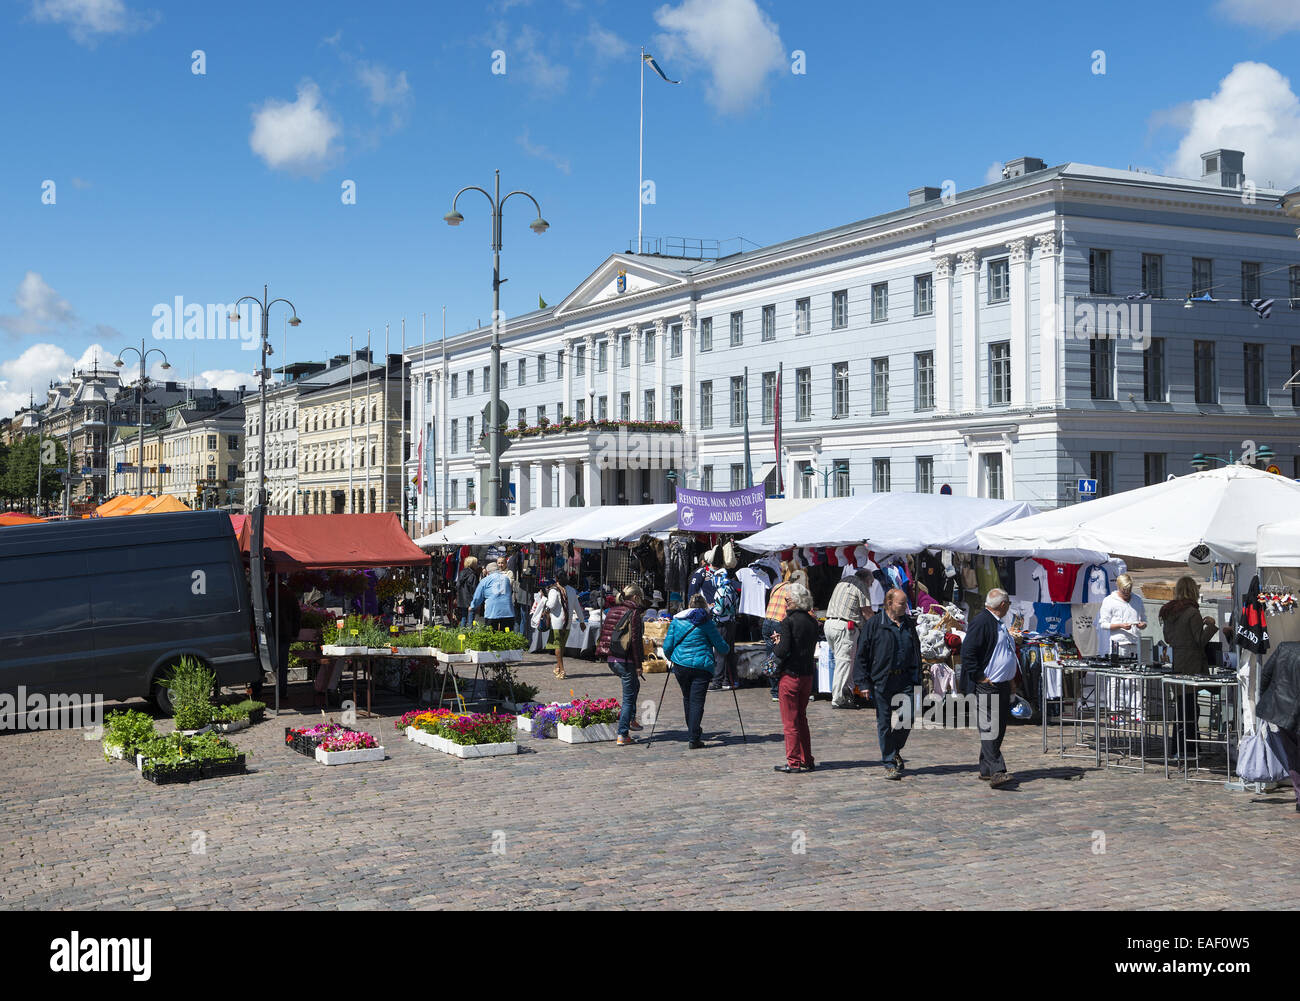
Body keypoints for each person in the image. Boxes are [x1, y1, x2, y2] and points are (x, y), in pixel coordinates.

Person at [855, 588, 920, 780]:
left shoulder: (908, 624)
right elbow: (862, 655)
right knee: (883, 722)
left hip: (905, 679)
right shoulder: (875, 624)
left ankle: (894, 748)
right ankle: (890, 762)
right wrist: (863, 683)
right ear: (889, 603)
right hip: (882, 679)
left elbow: (916, 650)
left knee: (908, 715)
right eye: (902, 603)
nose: (905, 606)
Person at [959, 587, 1017, 788]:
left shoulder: (997, 623)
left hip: (1001, 685)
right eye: (1008, 603)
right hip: (987, 686)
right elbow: (967, 652)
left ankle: (985, 769)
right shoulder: (982, 622)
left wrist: (1010, 680)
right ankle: (997, 771)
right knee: (989, 729)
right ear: (1003, 604)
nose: (1009, 606)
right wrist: (980, 677)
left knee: (998, 728)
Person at [1159, 575, 1219, 758]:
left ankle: (1179, 748)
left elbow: (1168, 638)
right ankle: (1189, 749)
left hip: (1177, 660)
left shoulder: (1170, 612)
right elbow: (1199, 640)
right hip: (1192, 663)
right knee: (1190, 708)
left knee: (1182, 708)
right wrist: (1211, 625)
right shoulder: (1192, 612)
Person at [663, 593, 730, 749]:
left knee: (687, 698)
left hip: (681, 665)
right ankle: (694, 736)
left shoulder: (677, 621)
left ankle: (692, 731)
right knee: (697, 701)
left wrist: (672, 657)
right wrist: (727, 650)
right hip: (702, 666)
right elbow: (720, 646)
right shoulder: (707, 622)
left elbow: (667, 646)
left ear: (689, 606)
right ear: (704, 605)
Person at [771, 581, 819, 773]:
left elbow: (782, 652)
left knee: (790, 722)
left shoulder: (788, 622)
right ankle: (806, 758)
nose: (785, 603)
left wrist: (778, 642)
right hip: (807, 674)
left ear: (795, 601)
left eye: (787, 600)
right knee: (801, 718)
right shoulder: (812, 621)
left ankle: (793, 761)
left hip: (790, 675)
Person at [596, 584, 646, 745]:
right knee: (628, 698)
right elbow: (635, 641)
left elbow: (605, 633)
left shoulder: (613, 610)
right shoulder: (634, 613)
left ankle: (631, 719)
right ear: (636, 597)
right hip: (626, 660)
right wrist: (639, 665)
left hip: (612, 659)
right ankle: (623, 734)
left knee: (634, 686)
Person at [1256, 642, 1300, 812]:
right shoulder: (1285, 648)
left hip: (1283, 712)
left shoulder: (1284, 648)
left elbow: (1265, 676)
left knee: (1293, 757)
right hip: (1285, 712)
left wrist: (1266, 702)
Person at [825, 567, 874, 709]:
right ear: (867, 580)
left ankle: (847, 694)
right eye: (870, 584)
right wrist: (876, 628)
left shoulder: (843, 581)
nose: (870, 587)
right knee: (844, 663)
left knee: (842, 662)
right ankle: (838, 699)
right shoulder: (861, 585)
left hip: (829, 624)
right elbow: (867, 612)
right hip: (845, 626)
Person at [763, 561, 798, 703]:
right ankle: (780, 690)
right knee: (781, 655)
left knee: (772, 656)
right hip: (779, 623)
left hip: (767, 621)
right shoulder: (794, 589)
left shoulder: (777, 586)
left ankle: (774, 691)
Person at [1098, 573, 1147, 658]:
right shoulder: (1109, 600)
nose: (1127, 592)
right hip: (1119, 644)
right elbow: (1103, 624)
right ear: (1118, 586)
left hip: (1135, 643)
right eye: (1124, 590)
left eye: (1129, 589)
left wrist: (1143, 625)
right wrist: (1120, 625)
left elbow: (1144, 619)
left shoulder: (1137, 599)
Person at [471, 562, 515, 631]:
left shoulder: (485, 580)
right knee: (507, 637)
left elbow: (478, 596)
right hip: (507, 611)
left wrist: (473, 606)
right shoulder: (506, 579)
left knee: (491, 635)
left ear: (488, 571)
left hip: (492, 611)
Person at [455, 557, 480, 627]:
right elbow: (474, 589)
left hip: (462, 599)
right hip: (470, 599)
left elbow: (457, 586)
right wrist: (476, 601)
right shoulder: (473, 575)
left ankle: (462, 634)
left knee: (463, 617)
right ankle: (469, 635)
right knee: (470, 620)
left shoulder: (461, 573)